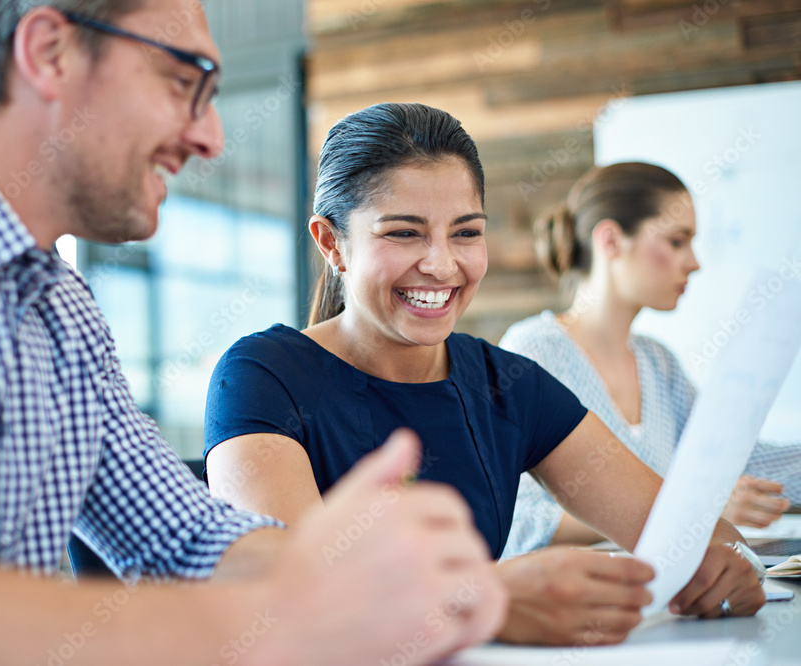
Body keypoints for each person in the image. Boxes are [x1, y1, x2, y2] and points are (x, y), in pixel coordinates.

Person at [0, 3, 508, 665]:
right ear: (50, 53)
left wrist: (361, 578)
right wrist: (269, 617)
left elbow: (180, 535)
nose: (210, 138)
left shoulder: (63, 312)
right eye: (181, 82)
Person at [204, 102, 767, 647]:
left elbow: (692, 536)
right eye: (404, 233)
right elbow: (283, 597)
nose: (443, 264)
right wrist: (487, 598)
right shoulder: (260, 375)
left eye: (466, 232)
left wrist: (732, 568)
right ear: (332, 242)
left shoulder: (508, 384)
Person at [500, 161, 801, 556]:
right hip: (577, 607)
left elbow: (744, 461)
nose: (694, 262)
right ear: (610, 241)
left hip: (663, 601)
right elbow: (518, 524)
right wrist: (689, 508)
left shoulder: (659, 364)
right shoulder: (531, 354)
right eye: (677, 241)